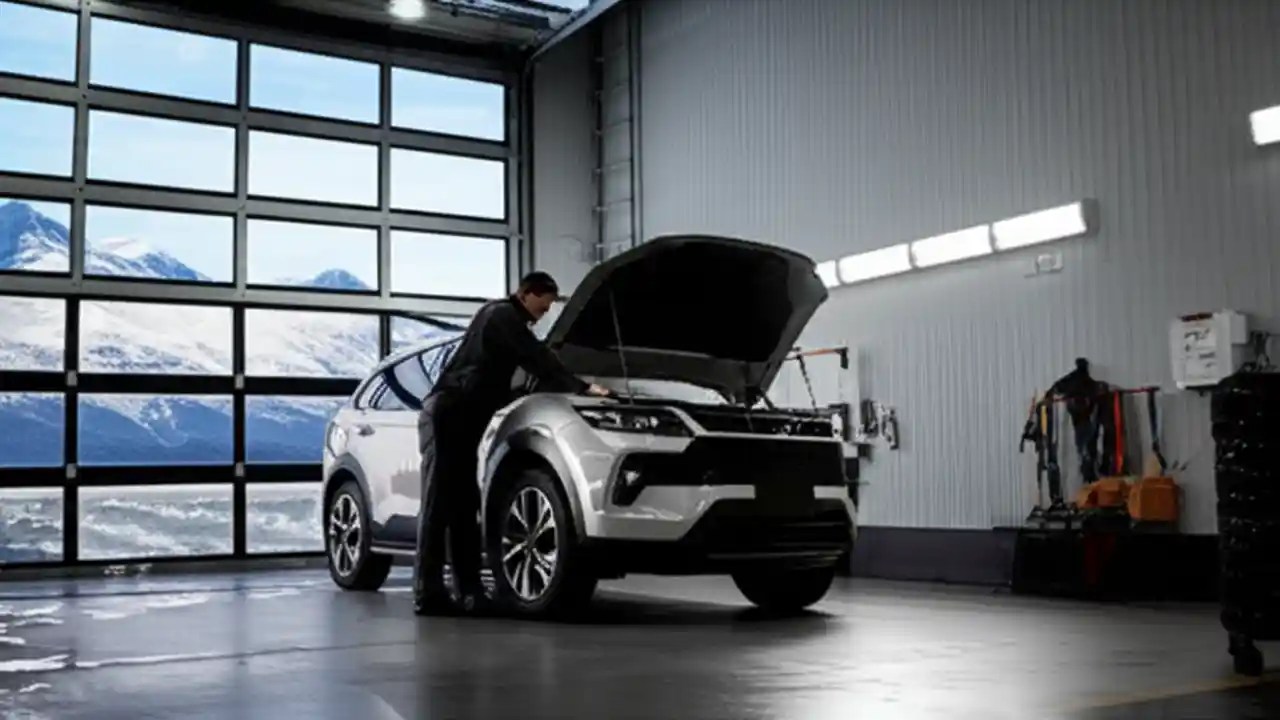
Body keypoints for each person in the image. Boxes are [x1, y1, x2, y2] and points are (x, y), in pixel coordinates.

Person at [413, 271, 610, 616]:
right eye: (544, 304)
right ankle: (427, 594)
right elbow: (536, 357)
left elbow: (514, 374)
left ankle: (469, 592)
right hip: (447, 414)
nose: (545, 312)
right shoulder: (501, 315)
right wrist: (581, 388)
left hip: (463, 418)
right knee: (439, 504)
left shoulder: (504, 323)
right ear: (527, 294)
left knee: (463, 507)